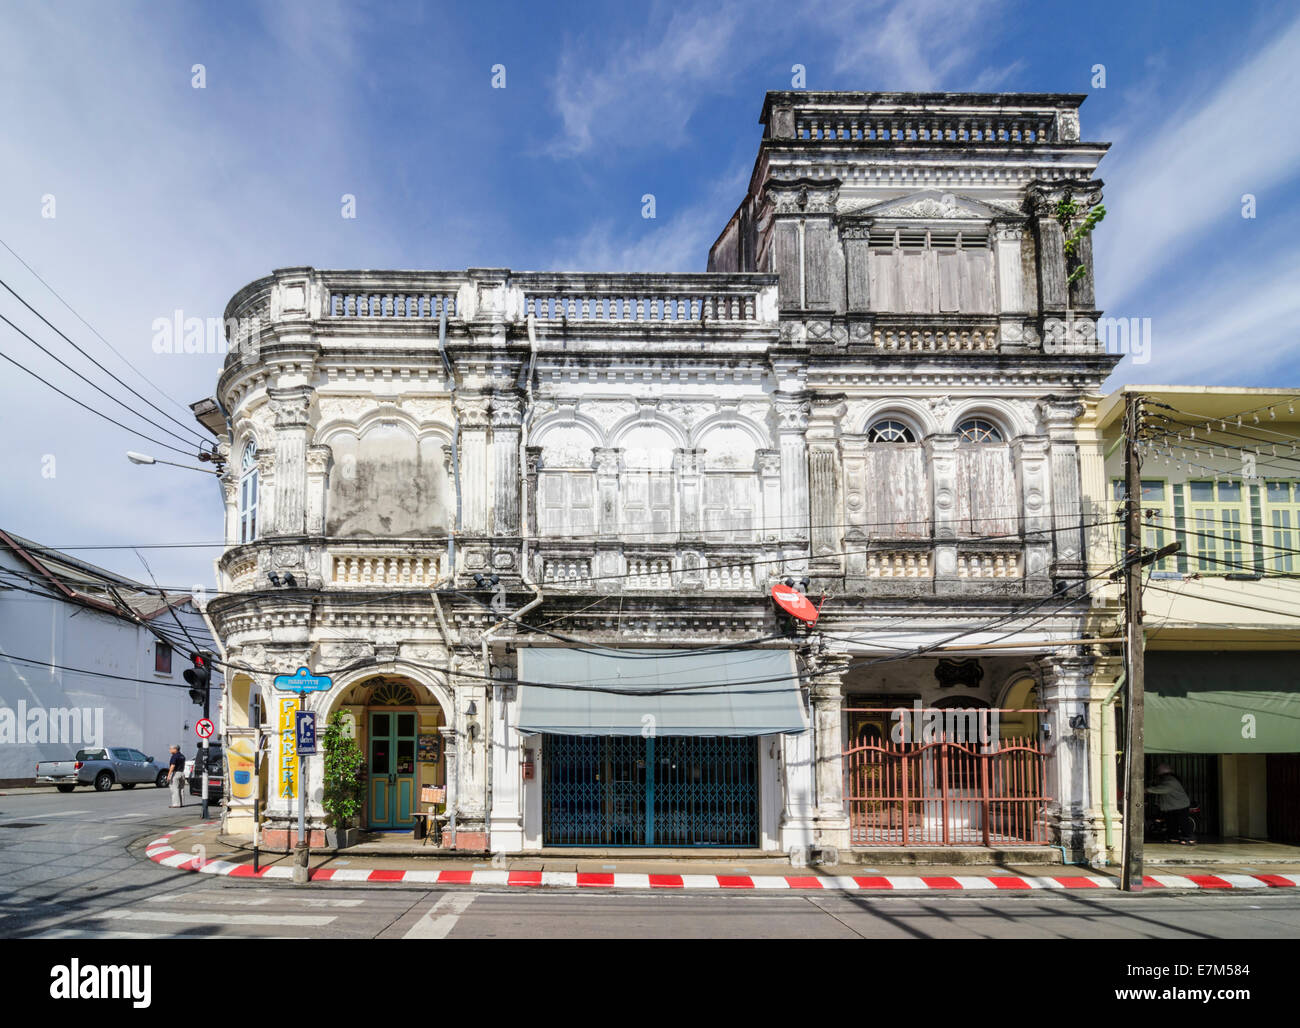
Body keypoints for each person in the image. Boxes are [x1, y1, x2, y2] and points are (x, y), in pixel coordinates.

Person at [1146, 763, 1194, 844]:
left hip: (1180, 805)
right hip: (1172, 806)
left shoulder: (1170, 780)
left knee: (1182, 822)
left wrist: (1147, 790)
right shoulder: (1168, 779)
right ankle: (1173, 837)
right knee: (1172, 822)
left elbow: (1164, 789)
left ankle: (1188, 837)